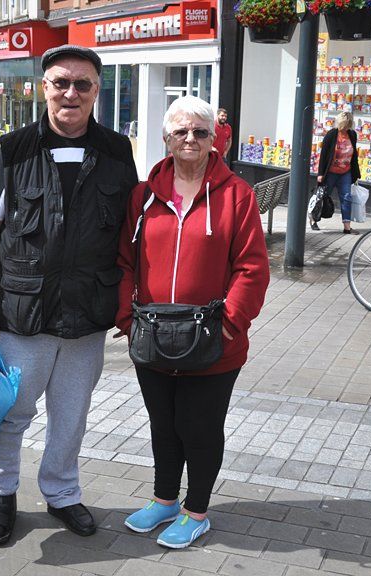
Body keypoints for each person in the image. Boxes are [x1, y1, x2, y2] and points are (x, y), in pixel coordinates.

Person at [0, 45, 139, 546]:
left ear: (96, 92)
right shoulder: (16, 148)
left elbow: (132, 228)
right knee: (11, 413)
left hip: (87, 315)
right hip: (23, 313)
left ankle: (62, 494)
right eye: (60, 83)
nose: (71, 93)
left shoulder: (116, 151)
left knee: (71, 416)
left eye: (82, 84)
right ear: (44, 88)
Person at [116, 96, 270, 549]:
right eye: (181, 131)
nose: (190, 139)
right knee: (163, 425)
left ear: (213, 139)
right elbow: (124, 261)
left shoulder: (236, 194)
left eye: (200, 132)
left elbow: (252, 268)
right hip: (153, 337)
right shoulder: (143, 195)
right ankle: (165, 500)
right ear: (165, 138)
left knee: (199, 428)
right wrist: (127, 317)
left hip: (213, 340)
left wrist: (230, 324)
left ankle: (196, 510)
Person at [313, 111, 361, 234]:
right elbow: (323, 155)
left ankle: (347, 226)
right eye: (343, 125)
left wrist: (356, 174)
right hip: (331, 172)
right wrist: (320, 174)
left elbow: (354, 155)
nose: (344, 128)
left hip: (346, 172)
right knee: (322, 196)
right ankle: (314, 220)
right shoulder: (331, 135)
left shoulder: (352, 135)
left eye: (347, 126)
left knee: (346, 198)